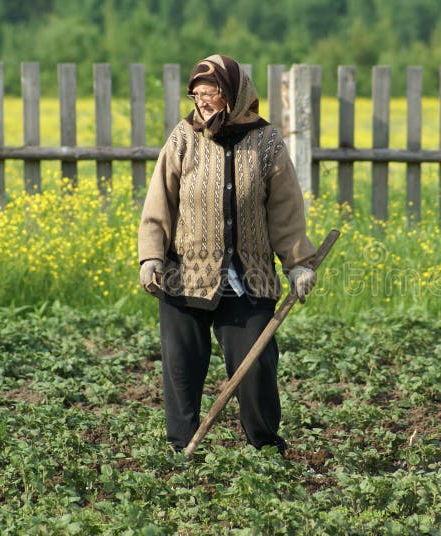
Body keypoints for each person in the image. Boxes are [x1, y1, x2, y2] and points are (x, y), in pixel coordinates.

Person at [138, 54, 317, 455]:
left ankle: (266, 447)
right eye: (197, 95)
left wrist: (298, 264)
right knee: (182, 370)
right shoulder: (183, 137)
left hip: (248, 277)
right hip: (184, 276)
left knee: (255, 366)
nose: (202, 102)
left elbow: (285, 210)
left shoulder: (267, 141)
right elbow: (159, 201)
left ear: (233, 95)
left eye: (211, 94)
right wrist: (151, 256)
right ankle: (181, 449)